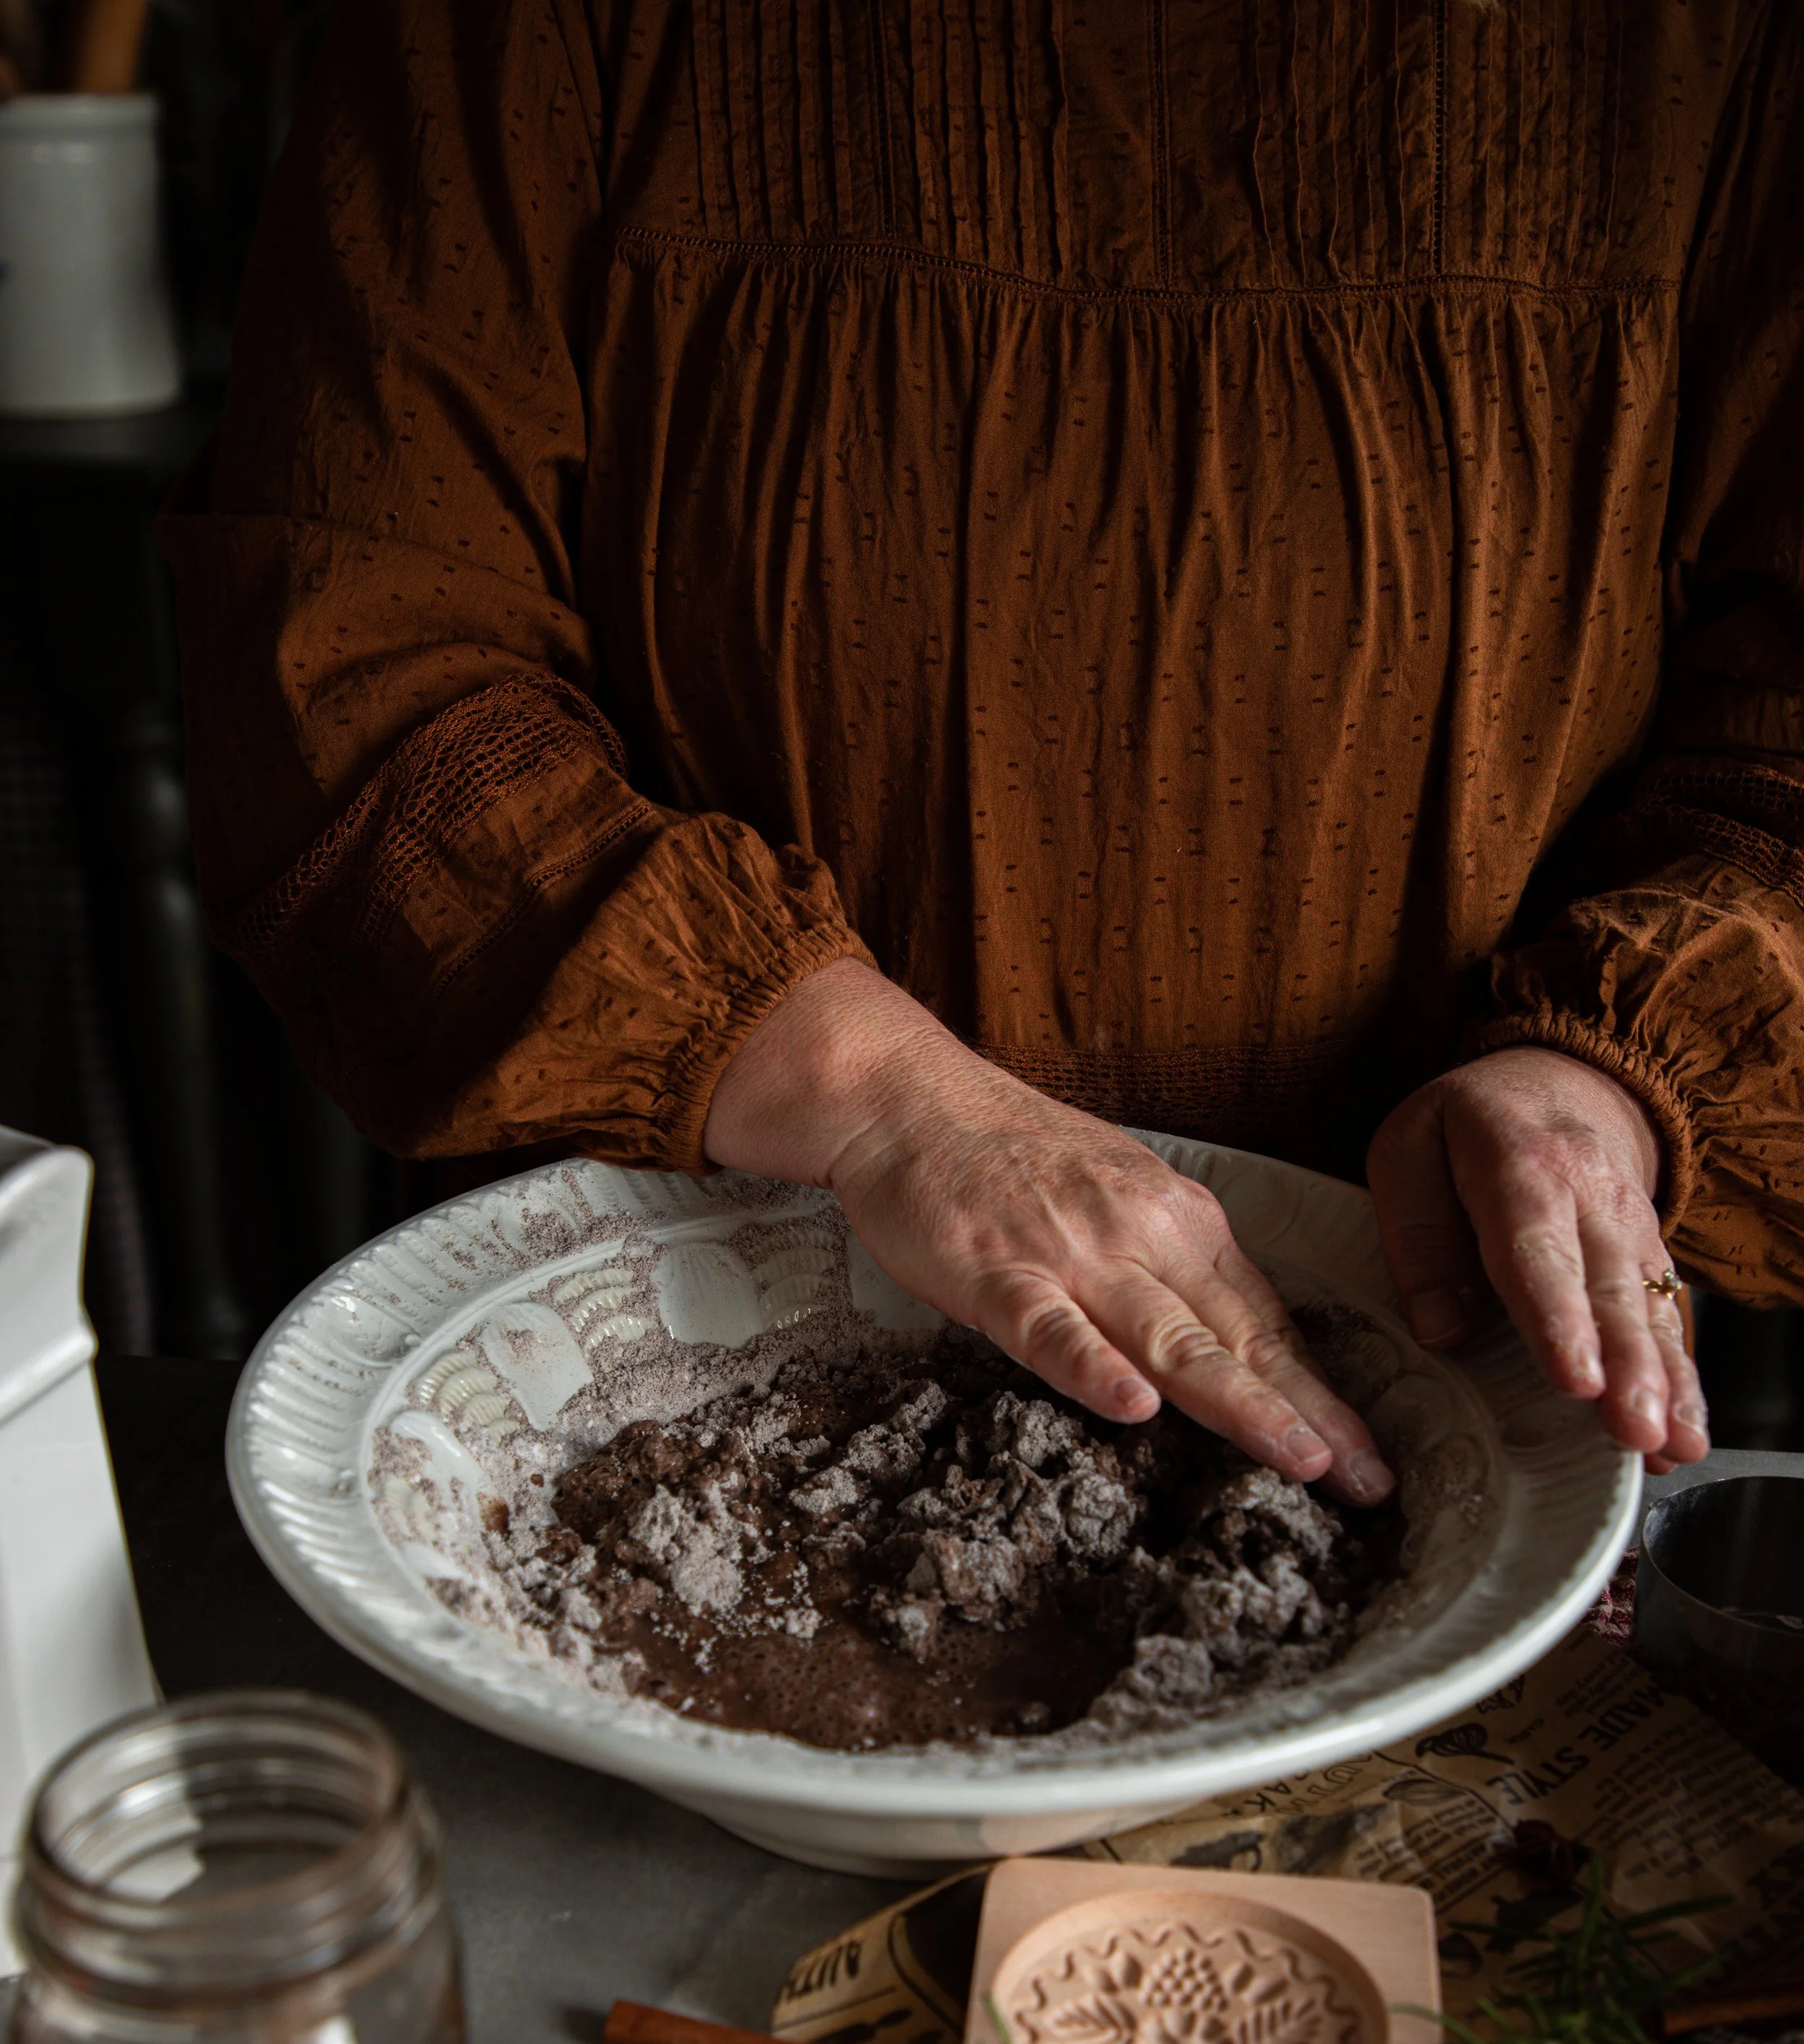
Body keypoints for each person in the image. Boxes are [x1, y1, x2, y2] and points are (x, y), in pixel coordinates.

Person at [164, 0, 1804, 1500]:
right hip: (698, 1348)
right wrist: (881, 1101)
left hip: (1451, 1379)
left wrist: (1600, 1073)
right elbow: (351, 653)